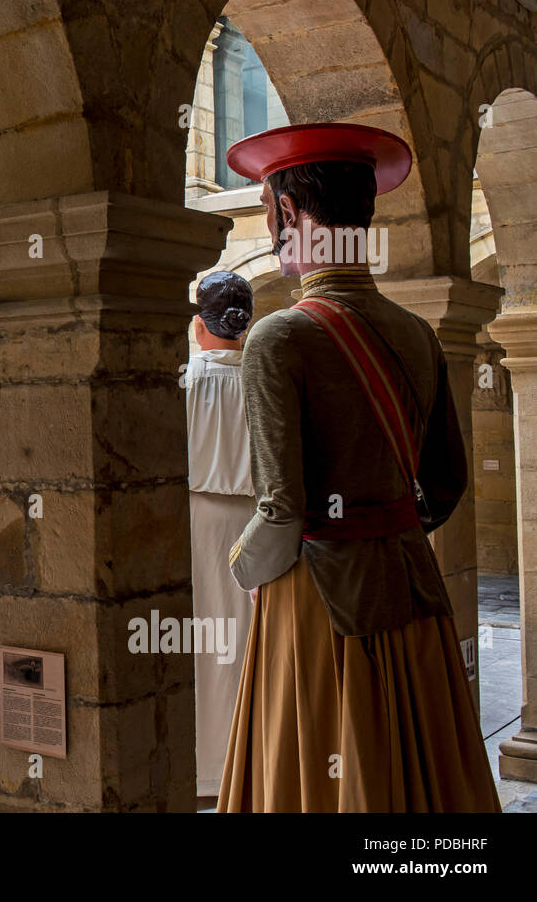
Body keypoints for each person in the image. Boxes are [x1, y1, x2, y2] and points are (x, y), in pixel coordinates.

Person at [217, 122, 499, 811]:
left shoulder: (278, 336)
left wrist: (239, 567)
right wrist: (385, 528)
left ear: (288, 212)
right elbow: (447, 483)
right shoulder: (417, 332)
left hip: (318, 609)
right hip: (411, 590)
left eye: (268, 211)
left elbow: (282, 512)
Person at [185, 270, 255, 803]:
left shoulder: (186, 380)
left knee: (203, 645)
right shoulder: (265, 377)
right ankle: (247, 758)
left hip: (196, 526)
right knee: (249, 643)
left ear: (196, 325)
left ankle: (204, 767)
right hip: (257, 528)